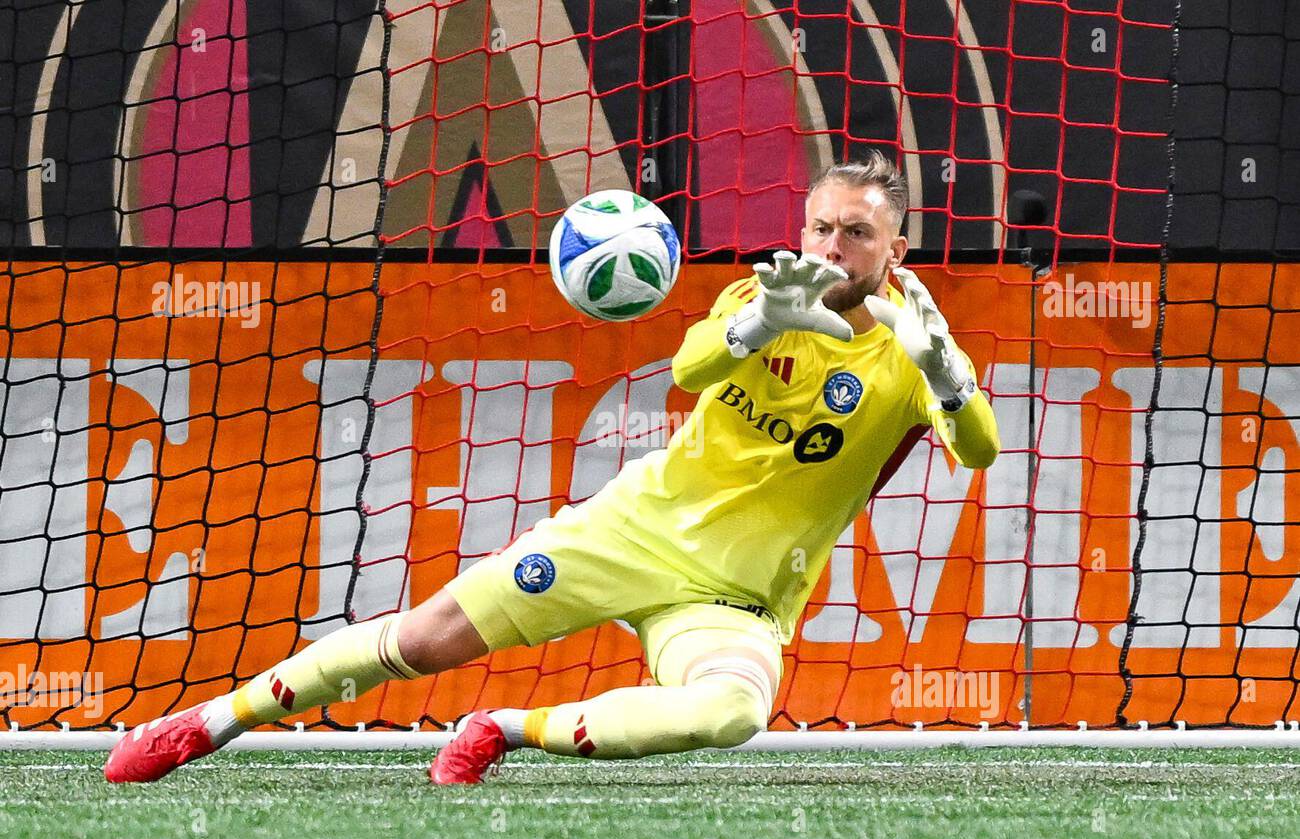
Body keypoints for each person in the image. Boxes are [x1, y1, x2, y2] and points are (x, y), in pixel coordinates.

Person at [104, 150, 1000, 785]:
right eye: (821, 226)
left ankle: (503, 726)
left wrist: (941, 374)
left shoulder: (917, 350)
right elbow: (690, 368)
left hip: (736, 597)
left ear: (895, 253)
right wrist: (757, 326)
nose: (832, 246)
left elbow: (978, 449)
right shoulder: (762, 294)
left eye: (856, 233)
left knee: (730, 715)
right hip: (631, 531)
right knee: (422, 641)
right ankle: (208, 723)